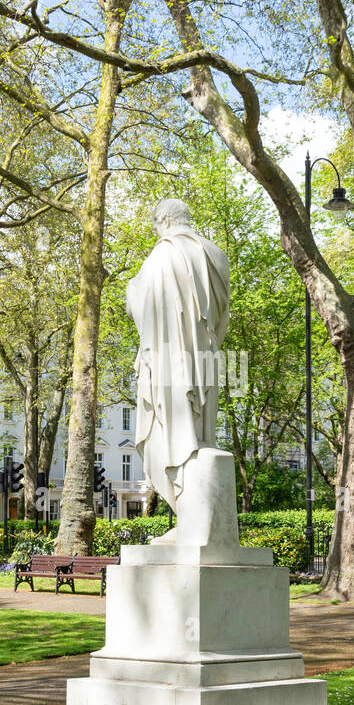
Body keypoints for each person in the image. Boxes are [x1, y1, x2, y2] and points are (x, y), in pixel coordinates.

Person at [125, 198, 230, 516]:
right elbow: (223, 313)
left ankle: (189, 517)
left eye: (156, 226)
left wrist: (131, 290)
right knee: (203, 436)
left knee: (176, 435)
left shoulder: (163, 254)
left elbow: (139, 306)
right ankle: (192, 522)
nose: (157, 232)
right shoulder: (217, 255)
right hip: (206, 355)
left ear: (165, 220)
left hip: (171, 361)